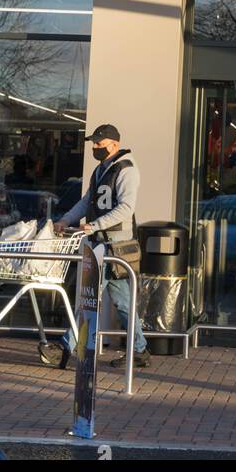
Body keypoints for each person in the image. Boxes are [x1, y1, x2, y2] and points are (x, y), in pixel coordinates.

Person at [41, 124, 149, 370]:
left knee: (91, 297)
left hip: (116, 245)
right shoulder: (102, 169)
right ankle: (140, 350)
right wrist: (66, 220)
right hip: (102, 244)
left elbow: (126, 208)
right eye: (94, 144)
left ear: (114, 144)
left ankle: (67, 348)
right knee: (120, 302)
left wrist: (93, 225)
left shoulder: (126, 169)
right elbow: (87, 201)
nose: (95, 148)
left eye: (99, 145)